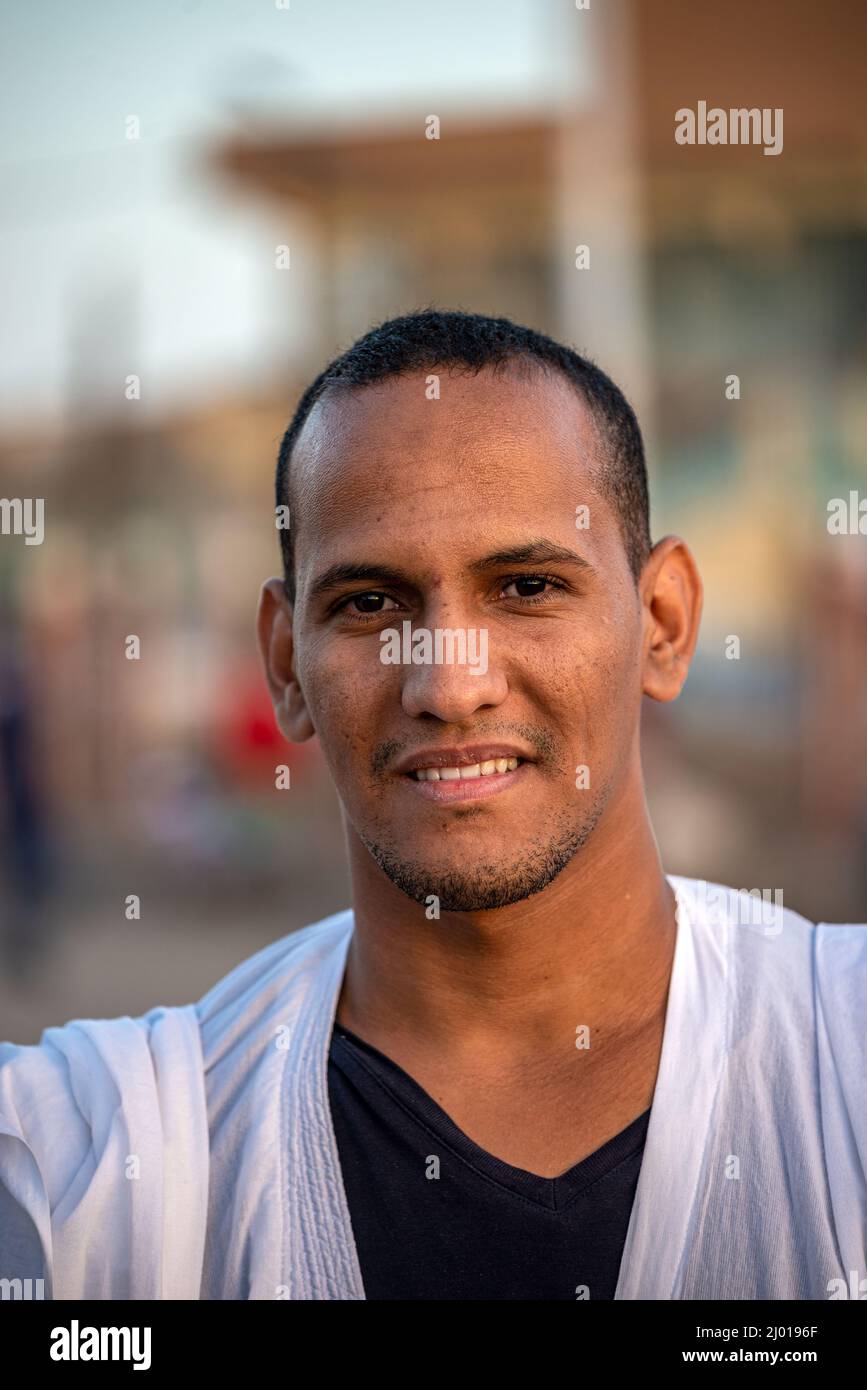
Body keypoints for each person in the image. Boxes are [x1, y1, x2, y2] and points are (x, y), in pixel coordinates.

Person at [1, 310, 864, 1301]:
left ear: (662, 623)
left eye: (528, 585)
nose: (449, 685)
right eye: (370, 604)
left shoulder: (841, 1059)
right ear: (286, 664)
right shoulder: (108, 1170)